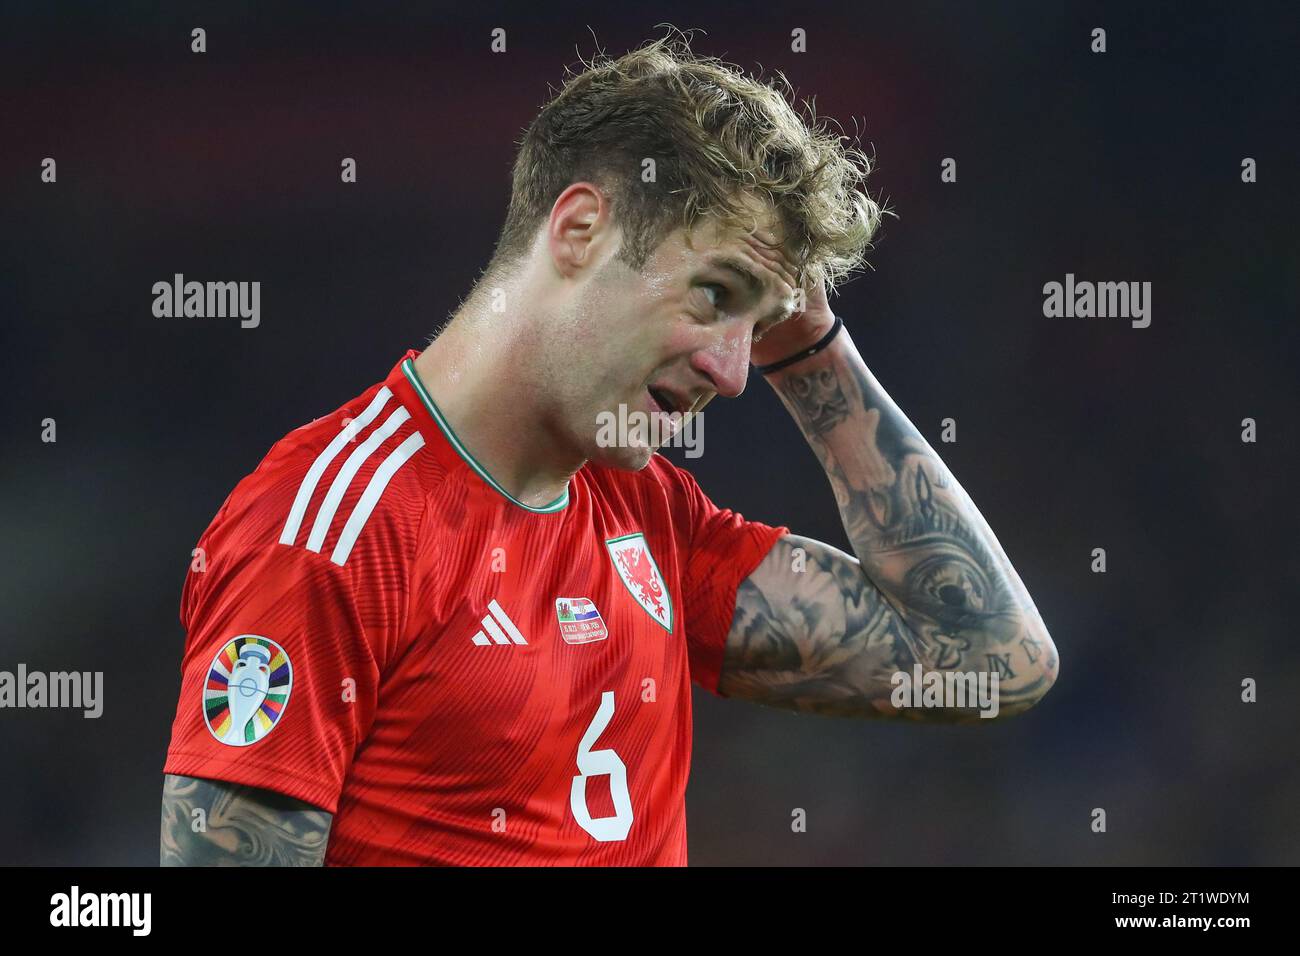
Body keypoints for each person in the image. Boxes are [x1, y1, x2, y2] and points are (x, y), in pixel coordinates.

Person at [161, 30, 1057, 866]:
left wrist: (815, 353)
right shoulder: (332, 531)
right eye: (716, 294)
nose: (736, 371)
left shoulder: (650, 516)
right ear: (580, 230)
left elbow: (987, 660)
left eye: (763, 325)